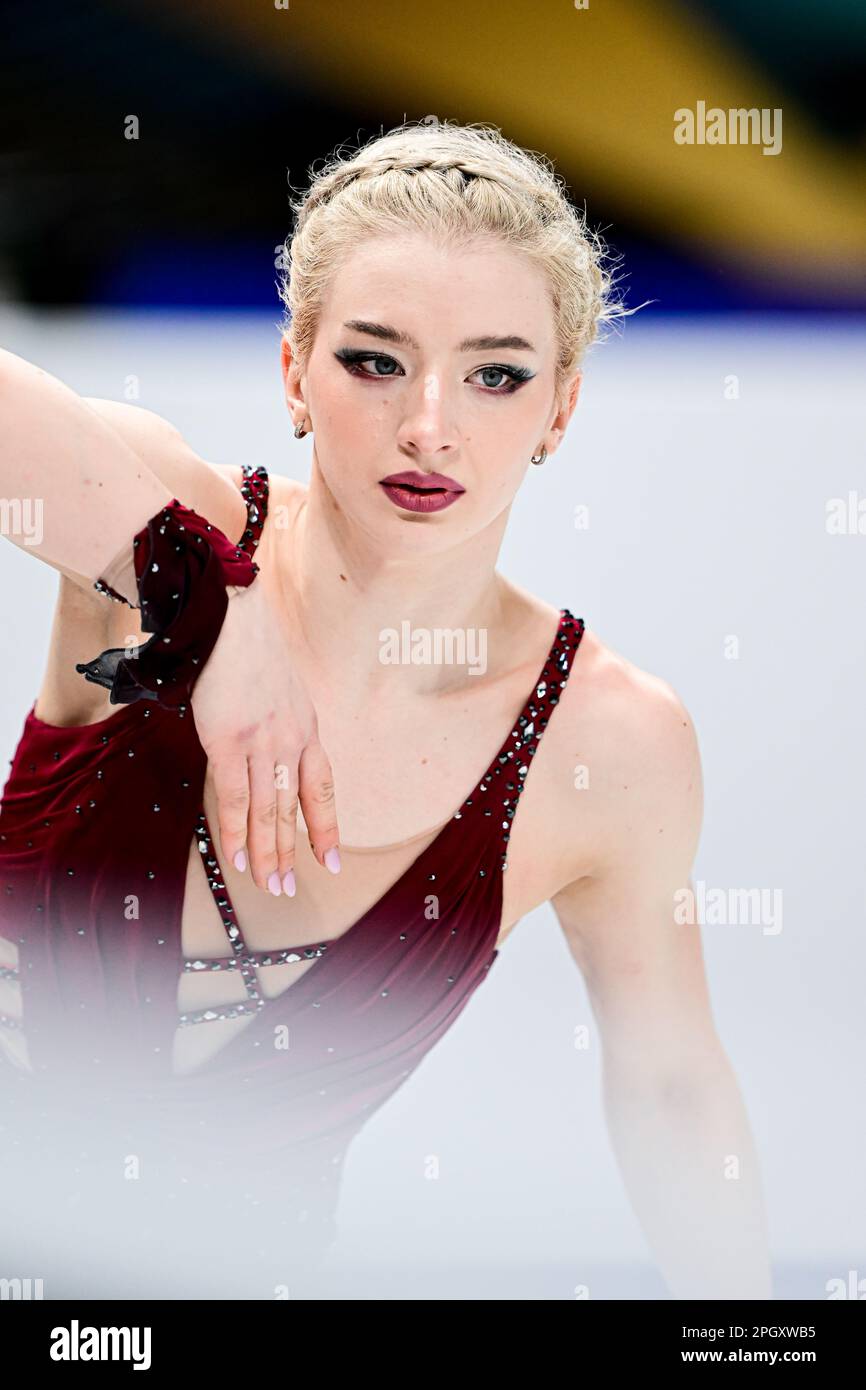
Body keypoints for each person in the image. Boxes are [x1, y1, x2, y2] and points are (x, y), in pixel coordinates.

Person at [0, 119, 771, 1299]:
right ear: (292, 367)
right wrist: (217, 609)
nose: (427, 425)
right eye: (372, 359)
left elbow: (669, 1082)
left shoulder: (607, 741)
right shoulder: (152, 509)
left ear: (559, 409)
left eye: (495, 374)